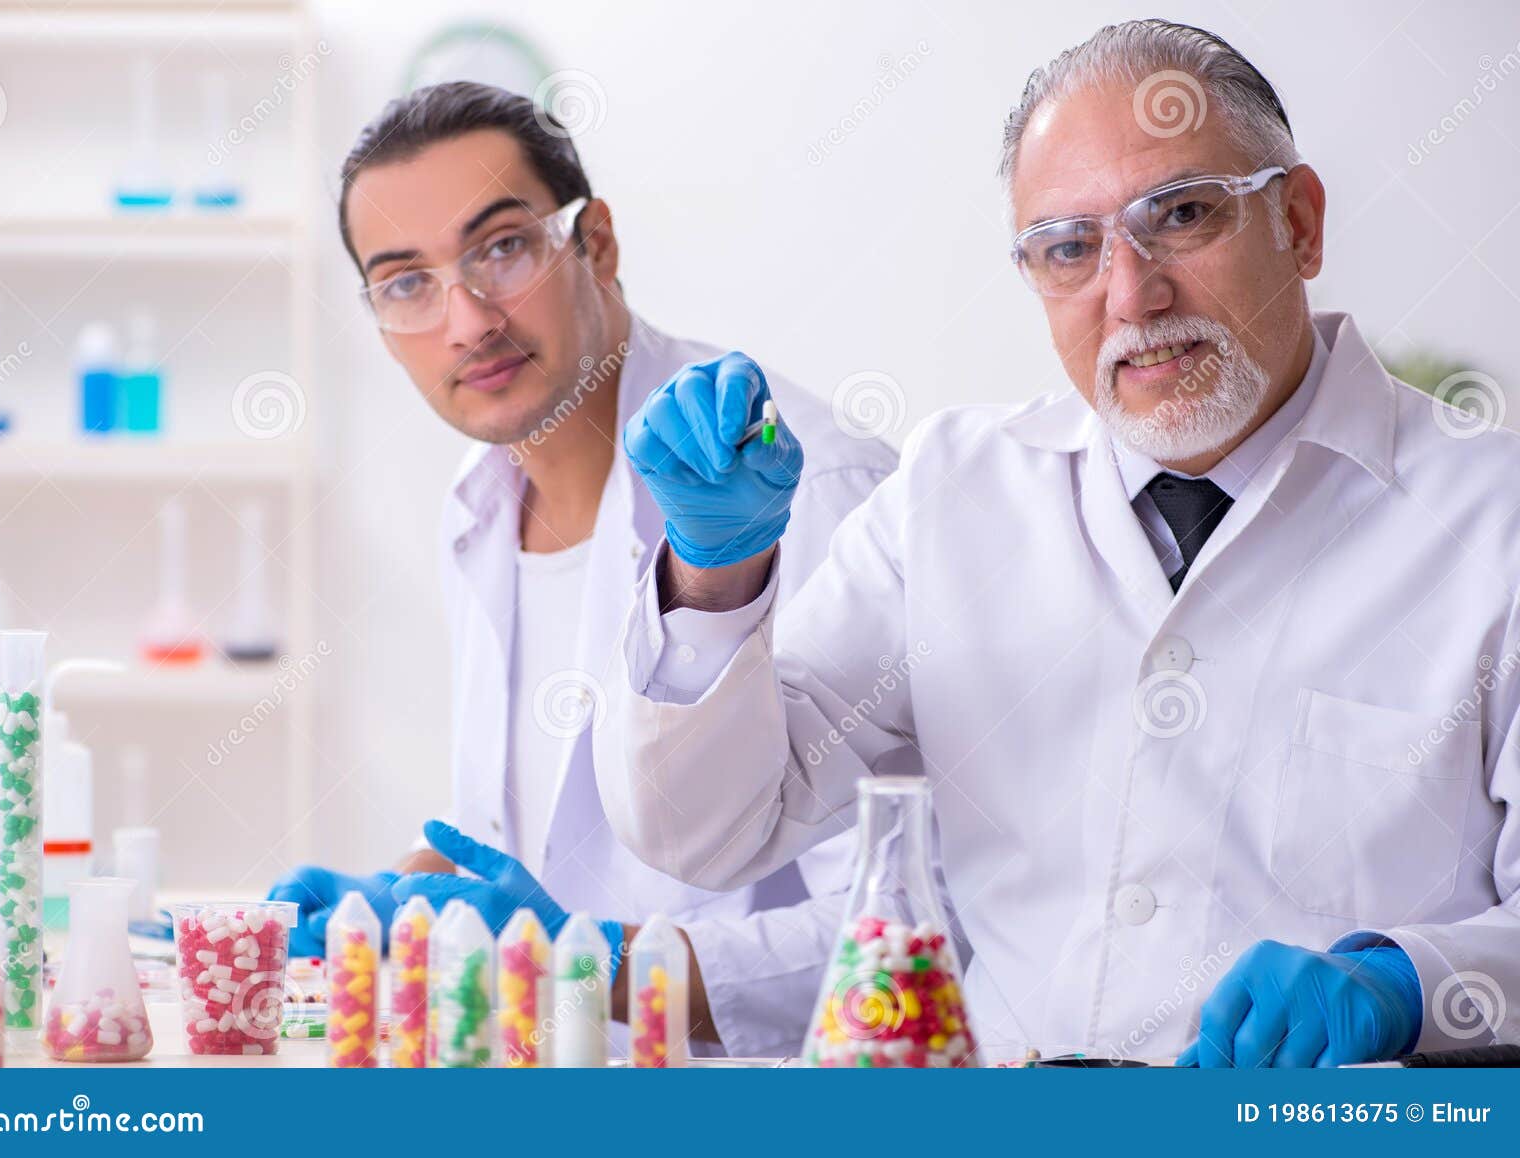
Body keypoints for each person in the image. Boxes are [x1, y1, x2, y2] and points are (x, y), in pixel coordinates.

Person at [594, 20, 1520, 1066]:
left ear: (1299, 223)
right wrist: (713, 577)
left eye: (1180, 215)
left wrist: (1409, 982)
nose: (1131, 294)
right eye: (1069, 248)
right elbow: (710, 830)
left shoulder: (1492, 522)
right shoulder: (955, 493)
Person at [268, 82, 896, 1056]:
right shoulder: (478, 510)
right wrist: (418, 902)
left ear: (593, 243)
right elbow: (543, 858)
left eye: (502, 248)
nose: (466, 320)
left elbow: (895, 940)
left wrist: (600, 961)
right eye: (406, 282)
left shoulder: (795, 486)